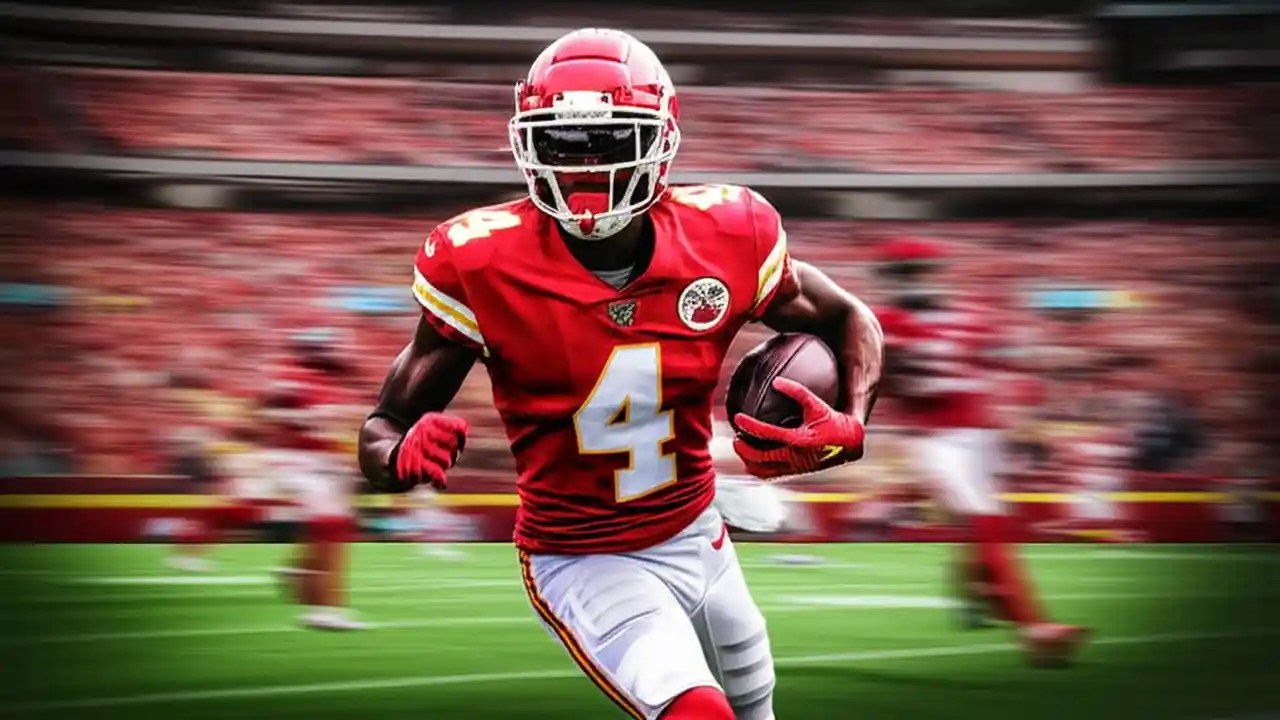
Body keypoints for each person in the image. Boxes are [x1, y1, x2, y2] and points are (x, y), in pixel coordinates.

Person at [358, 28, 883, 720]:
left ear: (660, 140)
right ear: (527, 146)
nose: (585, 167)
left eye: (608, 140)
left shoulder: (729, 234)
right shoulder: (480, 263)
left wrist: (854, 421)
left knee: (756, 706)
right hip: (582, 555)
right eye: (561, 143)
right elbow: (383, 425)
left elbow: (849, 317)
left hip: (697, 528)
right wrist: (396, 456)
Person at [871, 236, 1089, 666]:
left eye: (920, 272)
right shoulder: (880, 323)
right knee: (984, 523)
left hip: (979, 434)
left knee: (991, 526)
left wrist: (1024, 414)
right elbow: (875, 380)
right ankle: (1035, 629)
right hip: (930, 437)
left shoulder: (969, 314)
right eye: (905, 273)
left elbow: (1003, 361)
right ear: (890, 278)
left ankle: (973, 589)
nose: (915, 280)